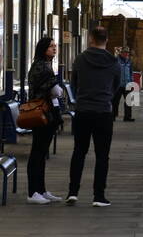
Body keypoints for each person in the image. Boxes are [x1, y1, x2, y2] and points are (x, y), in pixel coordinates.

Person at [67, 25, 122, 207]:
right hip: (103, 113)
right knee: (102, 155)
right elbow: (116, 86)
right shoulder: (114, 62)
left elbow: (74, 83)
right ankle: (98, 196)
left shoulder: (80, 59)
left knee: (79, 152)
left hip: (82, 111)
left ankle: (72, 192)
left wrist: (84, 96)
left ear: (91, 38)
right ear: (106, 40)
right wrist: (104, 97)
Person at [25, 36, 64, 204]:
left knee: (41, 153)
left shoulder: (45, 65)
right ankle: (33, 192)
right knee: (37, 153)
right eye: (50, 46)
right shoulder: (41, 67)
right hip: (41, 114)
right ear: (43, 49)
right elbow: (56, 91)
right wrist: (58, 90)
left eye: (55, 46)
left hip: (47, 113)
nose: (54, 49)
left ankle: (41, 189)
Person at [113, 46, 135, 122]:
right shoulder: (116, 60)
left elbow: (131, 73)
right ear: (121, 53)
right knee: (115, 101)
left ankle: (127, 117)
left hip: (127, 84)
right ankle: (113, 116)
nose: (126, 54)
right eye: (125, 52)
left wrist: (132, 83)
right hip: (118, 85)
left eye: (127, 53)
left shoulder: (129, 61)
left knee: (129, 101)